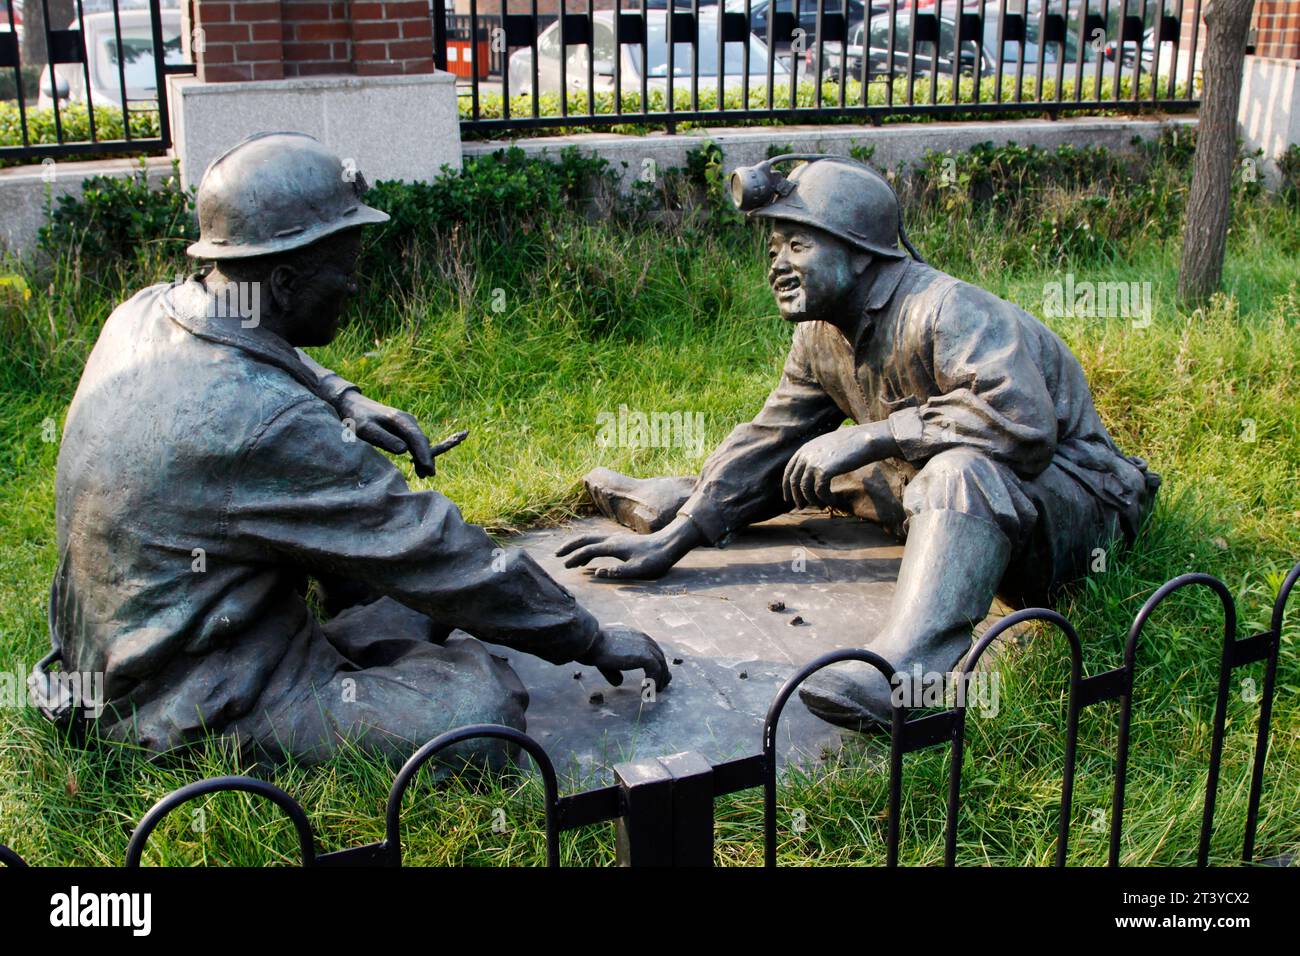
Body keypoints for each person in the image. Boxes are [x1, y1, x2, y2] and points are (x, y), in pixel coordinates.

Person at [33, 132, 670, 767]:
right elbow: (426, 543)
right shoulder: (269, 422)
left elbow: (255, 353)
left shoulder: (145, 312)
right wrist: (590, 638)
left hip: (115, 658)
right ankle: (395, 660)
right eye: (346, 267)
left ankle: (383, 636)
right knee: (482, 712)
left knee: (399, 584)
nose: (356, 286)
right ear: (283, 282)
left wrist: (342, 397)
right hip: (187, 704)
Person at [558, 154, 1158, 729]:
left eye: (798, 245)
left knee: (955, 474)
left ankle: (903, 672)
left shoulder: (949, 309)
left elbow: (1024, 429)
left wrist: (874, 435)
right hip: (939, 481)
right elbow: (771, 438)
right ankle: (684, 506)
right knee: (810, 464)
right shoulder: (820, 334)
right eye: (773, 248)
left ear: (860, 250)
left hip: (1073, 510)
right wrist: (679, 537)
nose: (777, 264)